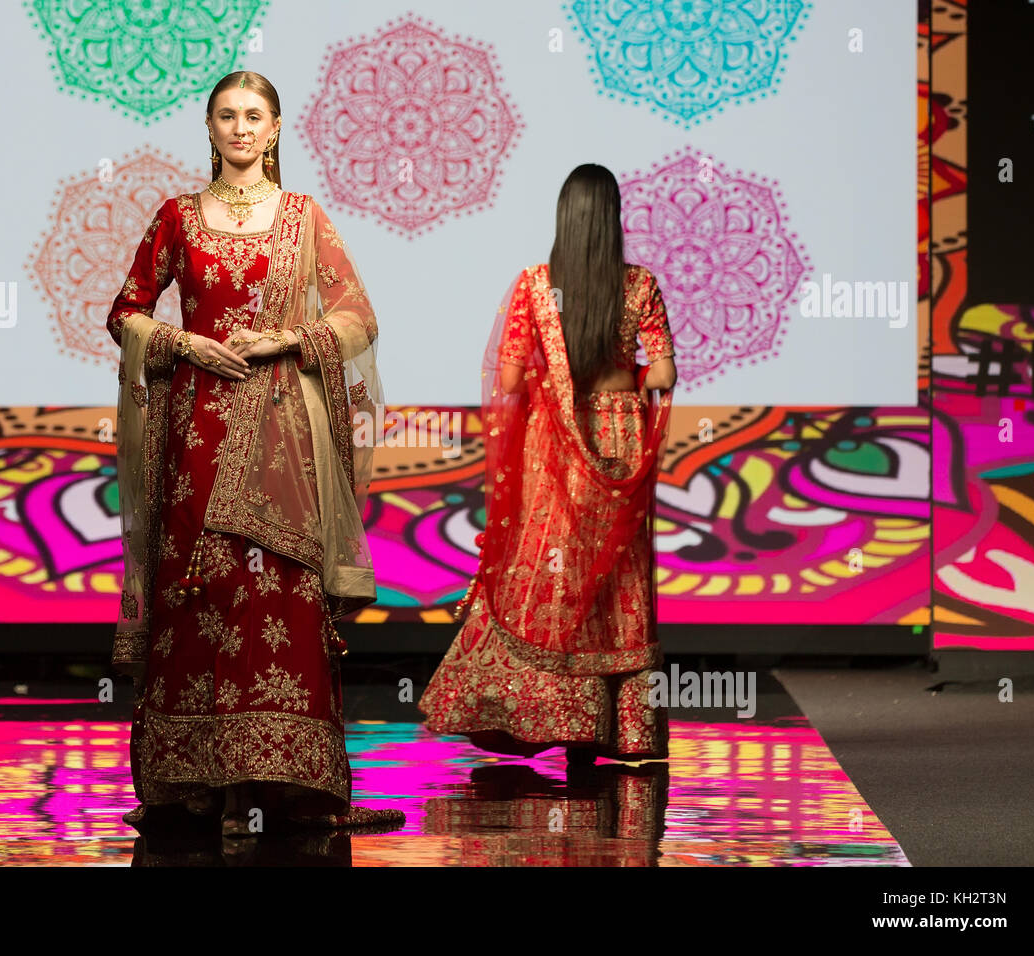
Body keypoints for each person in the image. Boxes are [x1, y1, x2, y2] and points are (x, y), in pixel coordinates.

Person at [107, 70, 401, 836]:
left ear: (275, 130)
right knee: (196, 589)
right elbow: (127, 312)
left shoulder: (305, 217)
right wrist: (181, 342)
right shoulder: (178, 217)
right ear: (209, 129)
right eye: (226, 116)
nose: (240, 128)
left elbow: (357, 315)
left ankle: (292, 781)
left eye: (254, 116)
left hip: (283, 437)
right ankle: (193, 782)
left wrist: (291, 339)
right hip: (196, 432)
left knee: (278, 594)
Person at [419, 163, 677, 767]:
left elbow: (509, 378)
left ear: (564, 217)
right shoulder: (639, 284)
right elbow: (663, 371)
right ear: (612, 220)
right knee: (618, 571)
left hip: (551, 446)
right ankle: (625, 733)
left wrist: (556, 385)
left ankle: (558, 716)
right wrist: (633, 377)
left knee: (549, 568)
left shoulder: (535, 286)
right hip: (618, 436)